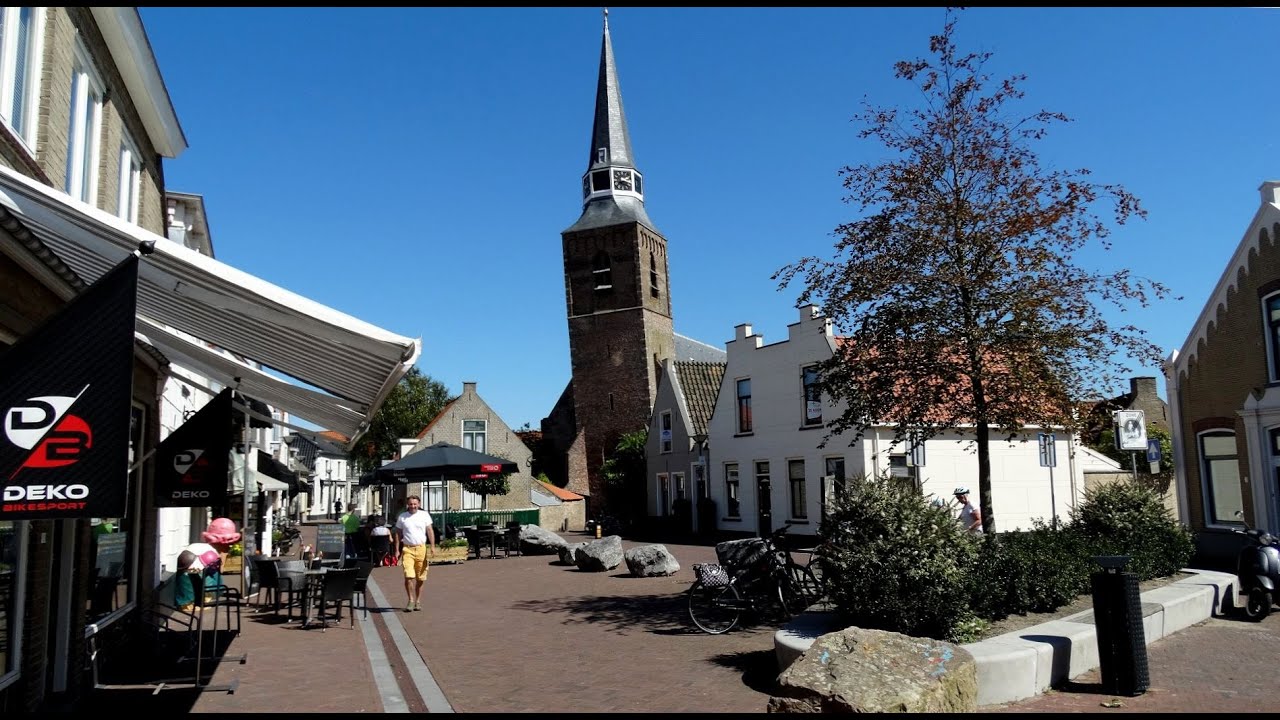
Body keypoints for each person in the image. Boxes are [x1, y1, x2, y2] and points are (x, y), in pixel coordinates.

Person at [393, 494, 437, 612]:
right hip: (407, 549)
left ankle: (418, 601)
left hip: (421, 549)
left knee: (420, 578)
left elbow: (430, 530)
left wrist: (432, 546)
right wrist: (397, 549)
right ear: (407, 505)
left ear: (419, 504)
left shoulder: (424, 515)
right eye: (410, 504)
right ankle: (411, 600)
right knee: (409, 576)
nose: (413, 506)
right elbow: (397, 533)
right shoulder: (402, 517)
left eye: (415, 504)